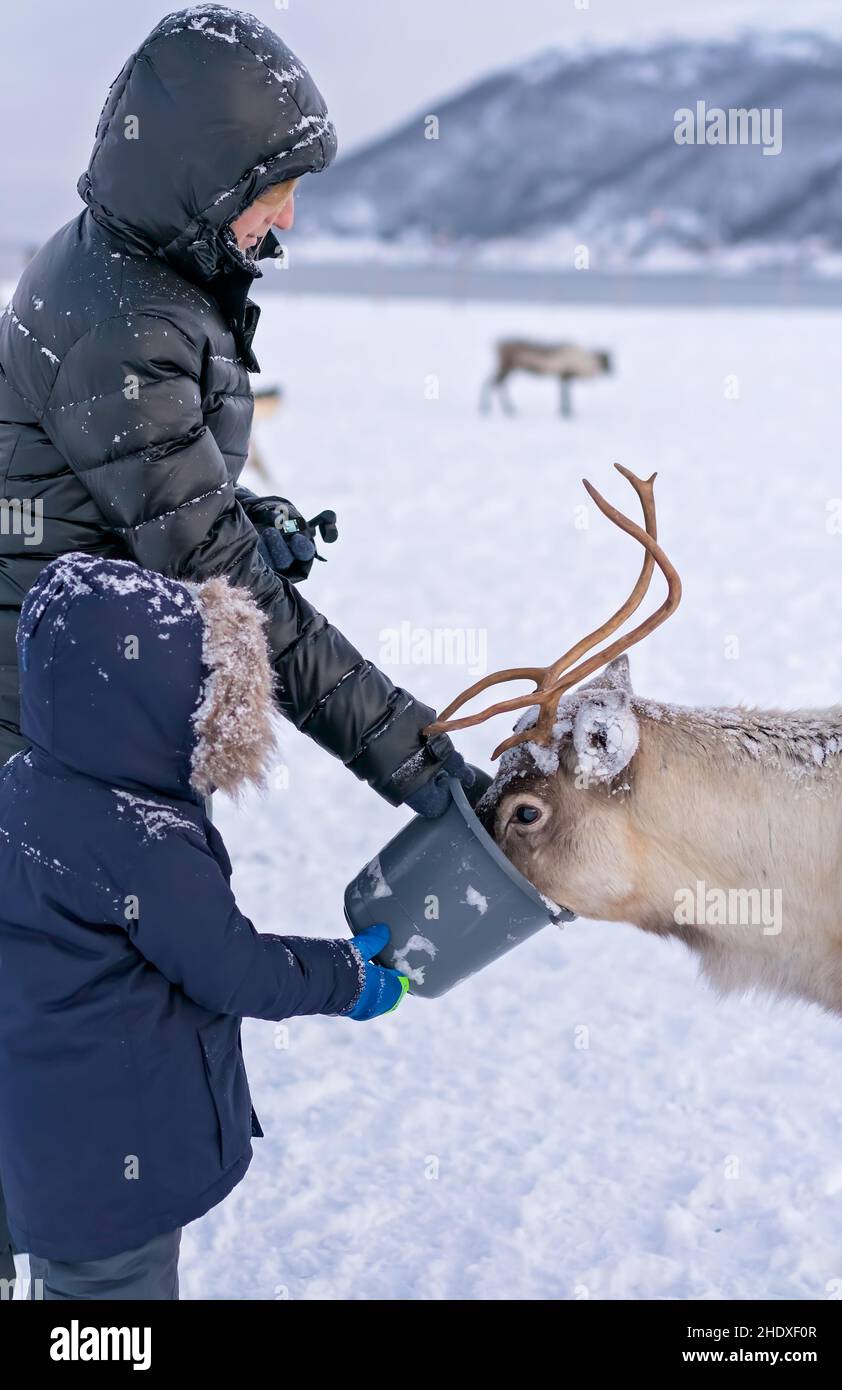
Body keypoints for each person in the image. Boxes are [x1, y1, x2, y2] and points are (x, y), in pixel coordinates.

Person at [0, 6, 482, 1284]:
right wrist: (425, 764)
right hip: (42, 736)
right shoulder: (128, 324)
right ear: (198, 180)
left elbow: (134, 499)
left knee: (48, 1039)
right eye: (268, 196)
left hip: (56, 712)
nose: (282, 225)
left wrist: (239, 513)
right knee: (81, 1050)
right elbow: (232, 601)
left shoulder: (132, 270)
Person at [0, 552, 410, 1300]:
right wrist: (344, 976)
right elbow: (229, 969)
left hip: (44, 1139)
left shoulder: (21, 785)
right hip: (122, 1155)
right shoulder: (144, 841)